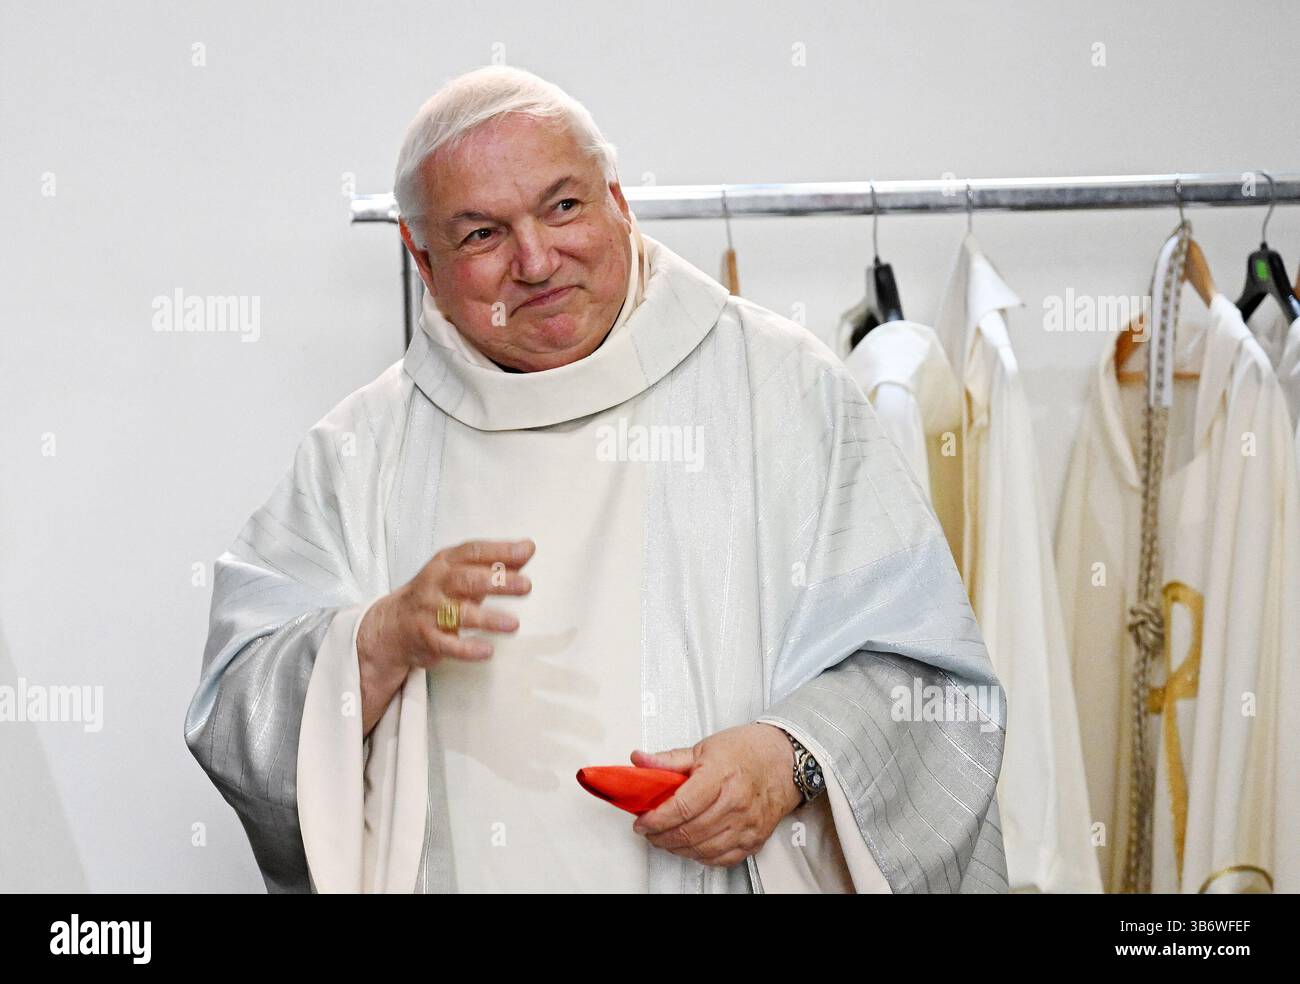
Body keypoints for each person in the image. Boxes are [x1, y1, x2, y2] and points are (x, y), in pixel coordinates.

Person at [184, 65, 1007, 894]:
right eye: (481, 235)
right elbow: (234, 710)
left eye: (564, 206)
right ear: (421, 259)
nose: (537, 261)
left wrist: (790, 757)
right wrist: (380, 641)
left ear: (618, 197)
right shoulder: (359, 452)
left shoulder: (782, 390)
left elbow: (931, 682)